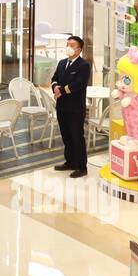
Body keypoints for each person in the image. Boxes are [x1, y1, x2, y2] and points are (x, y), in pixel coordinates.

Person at [50, 34, 90, 177]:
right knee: (66, 136)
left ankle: (81, 167)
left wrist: (61, 90)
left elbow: (78, 84)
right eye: (68, 44)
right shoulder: (61, 63)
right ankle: (70, 162)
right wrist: (55, 87)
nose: (69, 48)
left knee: (76, 136)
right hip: (62, 106)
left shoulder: (84, 65)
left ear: (79, 50)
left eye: (72, 45)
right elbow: (54, 78)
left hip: (75, 108)